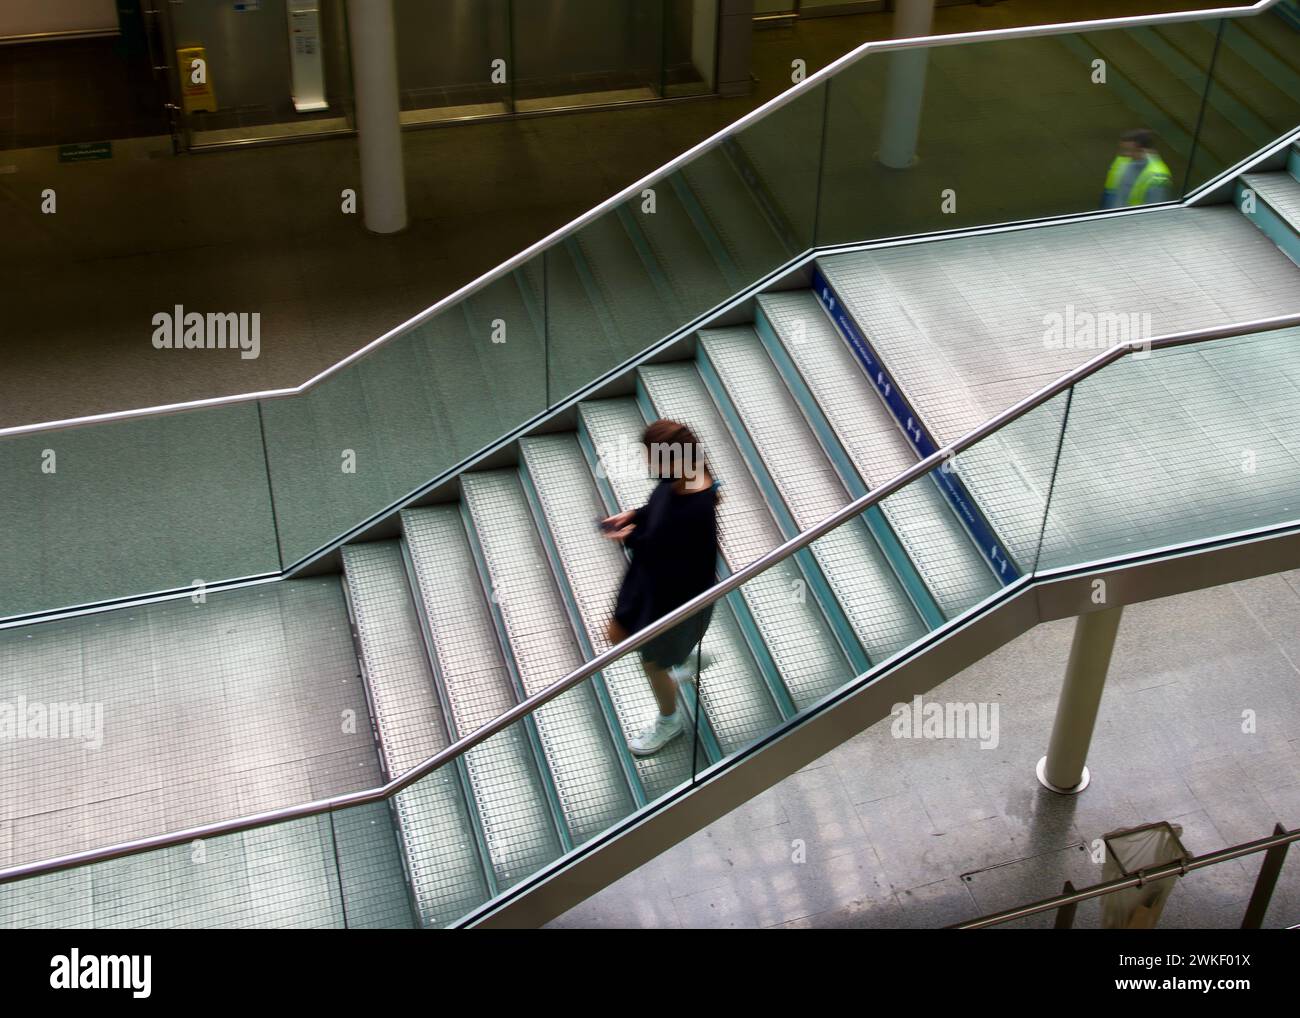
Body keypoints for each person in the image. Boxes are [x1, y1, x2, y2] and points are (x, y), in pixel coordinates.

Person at [602, 419, 719, 757]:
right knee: (617, 635)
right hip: (649, 583)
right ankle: (679, 658)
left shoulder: (694, 507)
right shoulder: (684, 477)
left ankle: (669, 721)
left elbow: (663, 550)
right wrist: (635, 515)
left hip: (673, 600)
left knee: (651, 662)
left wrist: (630, 536)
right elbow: (660, 510)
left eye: (651, 456)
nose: (646, 462)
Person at [1101, 129, 1173, 209]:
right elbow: (1120, 197)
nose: (1124, 154)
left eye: (1128, 150)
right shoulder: (1128, 164)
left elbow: (1155, 208)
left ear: (1142, 150)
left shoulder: (1158, 176)